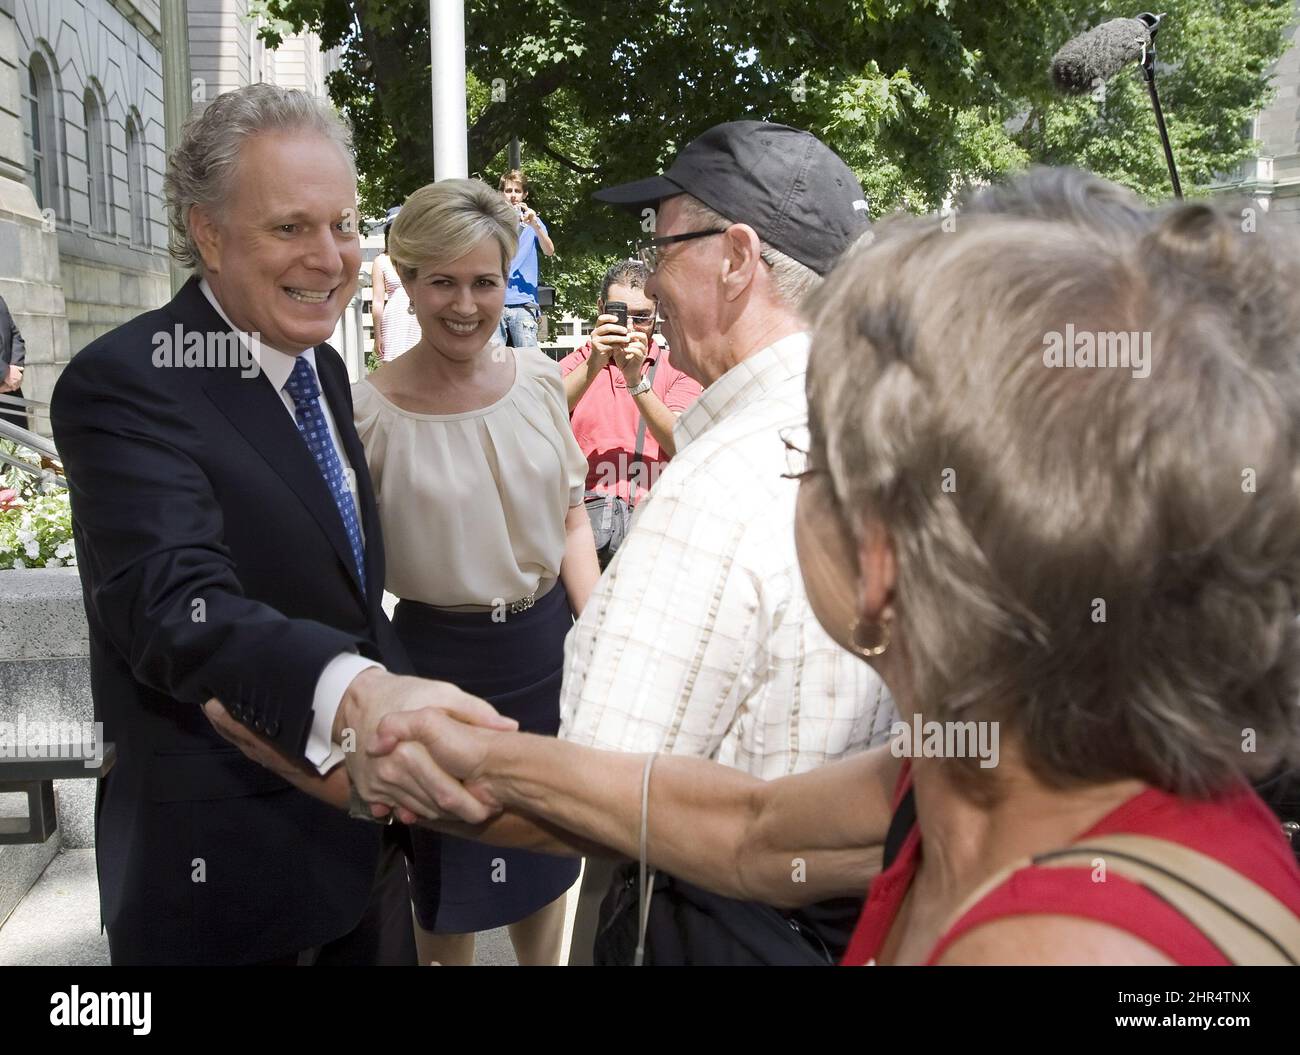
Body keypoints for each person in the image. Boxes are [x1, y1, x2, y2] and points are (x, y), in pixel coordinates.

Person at [352, 168, 1300, 964]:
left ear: (879, 561)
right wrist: (392, 741)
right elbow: (754, 827)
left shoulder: (1045, 942)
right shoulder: (985, 760)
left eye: (822, 458)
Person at [49, 83, 509, 966]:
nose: (330, 256)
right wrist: (359, 695)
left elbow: (344, 594)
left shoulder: (322, 371)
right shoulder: (127, 381)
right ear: (210, 233)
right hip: (225, 878)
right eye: (291, 227)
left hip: (363, 852)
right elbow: (174, 607)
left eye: (342, 224)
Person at [352, 178, 598, 966]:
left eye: (485, 281)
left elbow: (570, 517)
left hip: (544, 651)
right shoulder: (366, 412)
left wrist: (597, 637)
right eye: (443, 282)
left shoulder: (537, 382)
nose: (466, 303)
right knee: (446, 878)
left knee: (549, 859)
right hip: (433, 667)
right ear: (409, 284)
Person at [560, 259, 702, 565]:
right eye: (619, 314)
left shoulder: (678, 370)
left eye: (642, 317)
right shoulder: (576, 364)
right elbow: (542, 418)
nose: (629, 327)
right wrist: (595, 363)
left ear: (656, 317)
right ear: (600, 308)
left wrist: (636, 380)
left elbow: (681, 442)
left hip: (652, 530)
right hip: (582, 532)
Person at [497, 168, 554, 346]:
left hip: (523, 303)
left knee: (527, 359)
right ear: (501, 194)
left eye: (517, 191)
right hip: (495, 301)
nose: (513, 195)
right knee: (492, 361)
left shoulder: (533, 223)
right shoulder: (493, 222)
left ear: (524, 194)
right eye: (508, 190)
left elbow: (549, 250)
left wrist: (534, 224)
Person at [370, 207, 422, 362]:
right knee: (394, 362)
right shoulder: (380, 261)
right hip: (394, 318)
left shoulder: (419, 258)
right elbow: (378, 301)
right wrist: (377, 335)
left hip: (419, 315)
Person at [0, 292, 27, 429]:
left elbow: (15, 335)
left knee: (18, 449)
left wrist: (15, 368)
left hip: (10, 392)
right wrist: (4, 373)